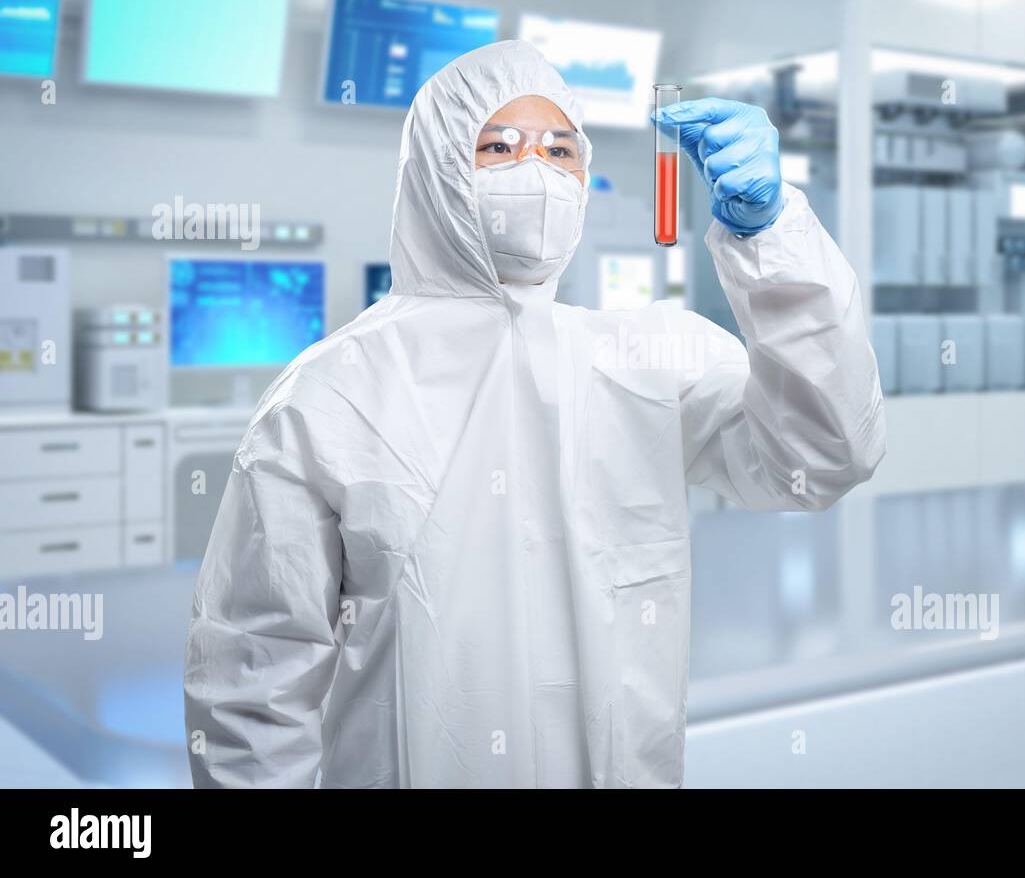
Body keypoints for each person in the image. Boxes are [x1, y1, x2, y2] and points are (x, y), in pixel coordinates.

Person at [184, 40, 885, 788]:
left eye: (560, 150)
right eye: (500, 147)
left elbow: (823, 455)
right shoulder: (333, 393)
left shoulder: (645, 360)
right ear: (438, 169)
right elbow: (256, 673)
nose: (538, 173)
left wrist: (771, 238)